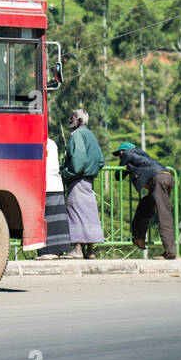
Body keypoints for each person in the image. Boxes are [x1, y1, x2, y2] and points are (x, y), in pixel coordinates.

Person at [114, 142, 177, 260]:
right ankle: (139, 238)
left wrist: (126, 167)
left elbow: (118, 176)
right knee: (145, 204)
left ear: (123, 151)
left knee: (164, 215)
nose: (119, 156)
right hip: (167, 177)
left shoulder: (127, 154)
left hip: (159, 180)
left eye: (119, 154)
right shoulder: (143, 155)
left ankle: (170, 252)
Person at [59, 108, 105, 259]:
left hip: (77, 181)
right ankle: (90, 251)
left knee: (76, 213)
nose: (69, 120)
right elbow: (100, 161)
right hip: (88, 181)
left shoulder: (78, 135)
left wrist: (66, 173)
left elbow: (78, 162)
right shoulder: (90, 135)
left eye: (72, 117)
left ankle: (78, 250)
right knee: (89, 213)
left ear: (79, 121)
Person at [36, 136, 73, 259]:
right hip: (56, 184)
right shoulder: (52, 143)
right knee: (57, 221)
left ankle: (47, 251)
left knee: (46, 219)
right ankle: (58, 250)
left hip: (44, 185)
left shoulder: (39, 142)